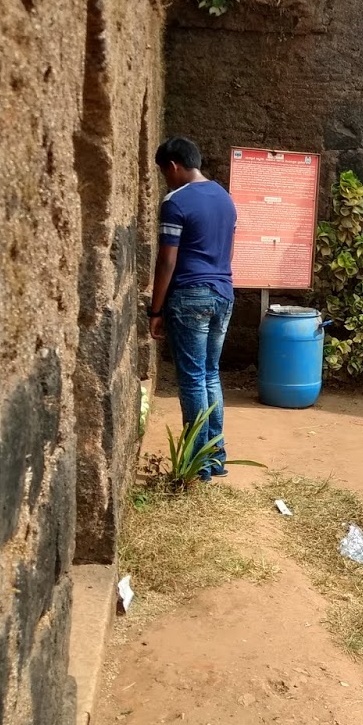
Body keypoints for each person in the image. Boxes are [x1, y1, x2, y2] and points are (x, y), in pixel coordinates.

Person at [148, 136, 238, 479]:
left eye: (164, 173)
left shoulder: (175, 202)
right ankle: (215, 459)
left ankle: (195, 465)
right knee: (210, 374)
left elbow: (167, 262)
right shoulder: (226, 200)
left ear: (173, 166)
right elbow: (227, 255)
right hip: (223, 294)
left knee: (191, 380)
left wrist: (155, 311)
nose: (165, 180)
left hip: (189, 296)